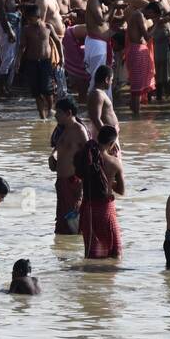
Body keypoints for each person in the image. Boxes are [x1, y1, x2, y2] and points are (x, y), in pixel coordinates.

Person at [75, 125, 124, 259]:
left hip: (88, 210)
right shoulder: (115, 163)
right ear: (112, 143)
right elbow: (121, 190)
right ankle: (107, 279)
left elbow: (79, 176)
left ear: (98, 138)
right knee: (114, 253)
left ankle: (91, 279)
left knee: (91, 252)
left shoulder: (86, 158)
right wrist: (109, 182)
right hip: (105, 211)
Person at [49, 96, 88, 234]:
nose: (56, 115)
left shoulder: (80, 130)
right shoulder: (62, 129)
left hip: (74, 183)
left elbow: (90, 157)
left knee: (74, 225)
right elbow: (58, 148)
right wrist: (53, 157)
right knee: (61, 226)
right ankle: (61, 253)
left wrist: (82, 191)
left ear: (68, 113)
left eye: (58, 112)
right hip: (62, 182)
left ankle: (75, 253)